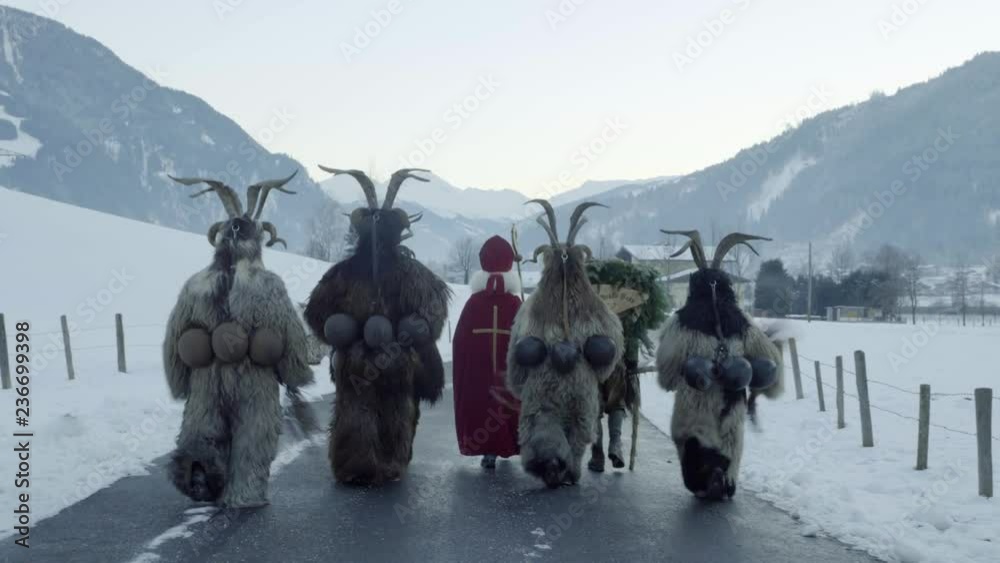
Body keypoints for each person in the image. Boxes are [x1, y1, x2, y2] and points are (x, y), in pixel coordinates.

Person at [453, 236, 522, 468]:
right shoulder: (514, 304)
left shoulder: (474, 302)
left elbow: (460, 340)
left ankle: (489, 451)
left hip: (479, 371)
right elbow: (526, 337)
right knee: (506, 403)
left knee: (485, 405)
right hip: (506, 370)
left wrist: (465, 369)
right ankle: (508, 446)